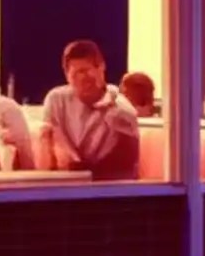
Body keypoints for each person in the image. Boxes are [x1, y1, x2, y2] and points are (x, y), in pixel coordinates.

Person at [40, 40, 140, 181]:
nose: (82, 79)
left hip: (104, 189)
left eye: (87, 72)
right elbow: (48, 148)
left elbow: (126, 170)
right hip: (62, 185)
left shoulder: (122, 112)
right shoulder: (56, 100)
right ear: (66, 75)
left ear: (102, 67)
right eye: (76, 74)